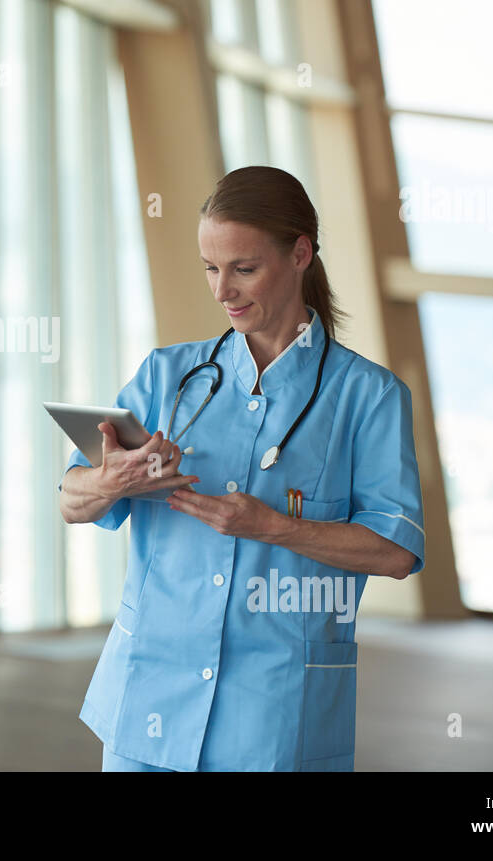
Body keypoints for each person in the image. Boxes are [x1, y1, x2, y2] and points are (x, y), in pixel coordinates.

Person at [57, 166, 425, 772]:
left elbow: (395, 552)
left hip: (276, 722)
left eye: (243, 268)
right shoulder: (166, 375)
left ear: (301, 253)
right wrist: (111, 480)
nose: (222, 290)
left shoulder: (369, 397)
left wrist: (275, 527)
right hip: (149, 703)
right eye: (210, 268)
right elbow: (72, 501)